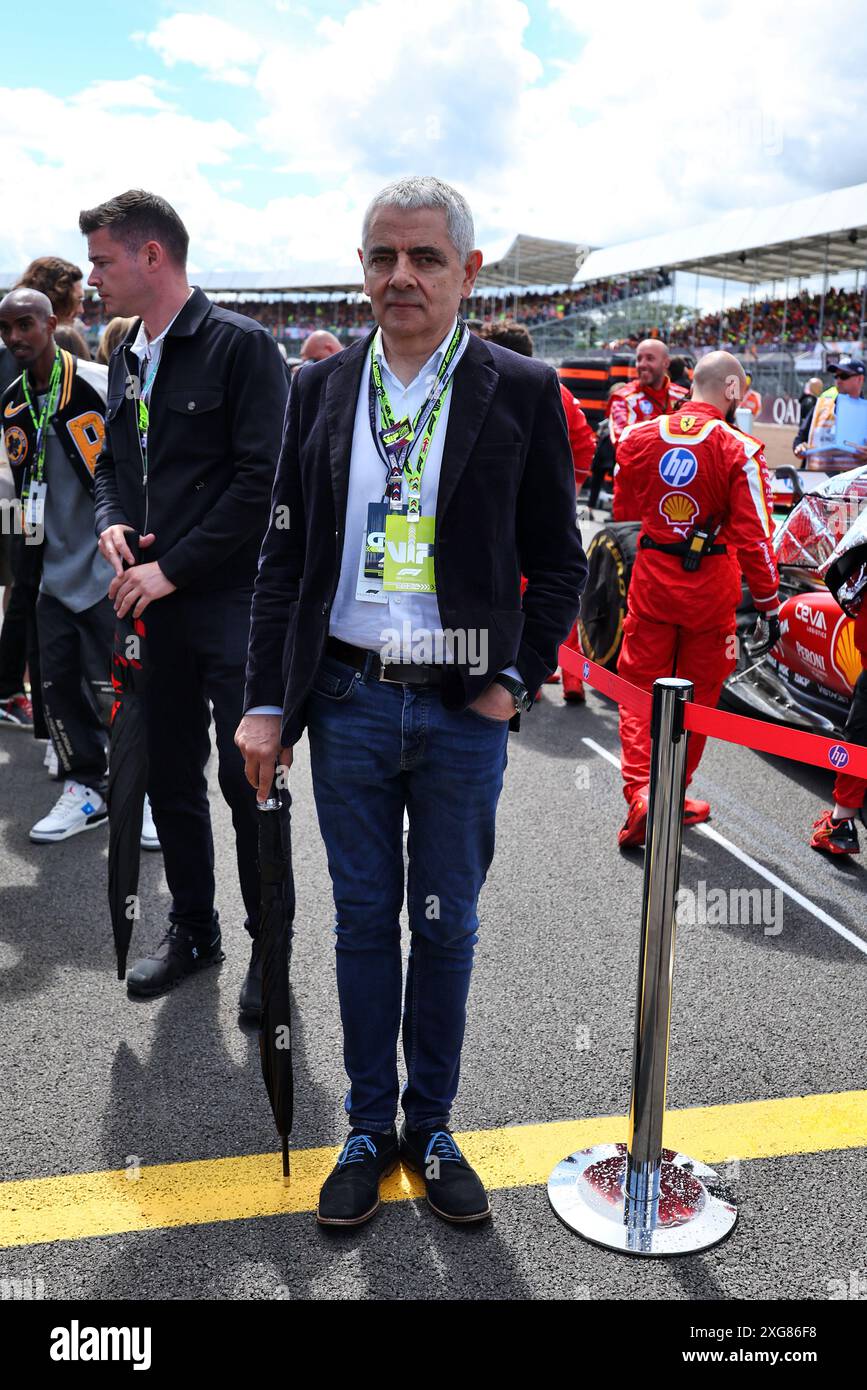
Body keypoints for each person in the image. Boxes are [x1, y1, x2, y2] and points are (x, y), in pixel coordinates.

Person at [236, 175, 587, 1227]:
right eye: (382, 256)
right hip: (342, 698)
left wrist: (511, 682)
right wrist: (265, 702)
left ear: (469, 272)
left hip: (458, 708)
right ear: (361, 268)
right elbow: (284, 561)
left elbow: (560, 564)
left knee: (445, 926)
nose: (400, 276)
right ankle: (364, 1122)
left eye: (425, 258)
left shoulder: (521, 388)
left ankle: (431, 1126)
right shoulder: (321, 388)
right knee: (359, 924)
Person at [81, 189, 288, 1014]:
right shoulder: (128, 350)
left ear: (151, 256)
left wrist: (175, 569)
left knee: (251, 786)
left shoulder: (243, 348)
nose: (94, 278)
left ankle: (269, 951)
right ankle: (195, 932)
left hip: (232, 604)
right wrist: (112, 525)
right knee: (171, 777)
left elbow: (259, 484)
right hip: (150, 604)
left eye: (102, 260)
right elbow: (110, 466)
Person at [613, 350, 780, 848]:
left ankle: (643, 793)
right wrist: (770, 606)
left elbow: (626, 499)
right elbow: (755, 541)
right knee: (698, 695)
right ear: (731, 389)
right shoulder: (740, 448)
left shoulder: (640, 437)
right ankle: (671, 792)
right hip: (709, 590)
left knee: (640, 690)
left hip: (652, 579)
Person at [0, 288, 137, 840]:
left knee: (126, 690)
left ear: (51, 323)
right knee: (57, 689)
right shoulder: (11, 402)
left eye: (26, 325)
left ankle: (139, 788)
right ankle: (85, 786)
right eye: (6, 329)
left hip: (109, 571)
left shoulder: (96, 386)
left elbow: (134, 469)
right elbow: (15, 490)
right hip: (50, 575)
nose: (15, 338)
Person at [480, 320, 593, 701]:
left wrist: (564, 490)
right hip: (547, 507)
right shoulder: (556, 389)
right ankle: (566, 678)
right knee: (557, 589)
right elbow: (586, 440)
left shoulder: (508, 388)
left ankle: (526, 673)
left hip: (509, 509)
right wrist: (567, 491)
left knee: (521, 588)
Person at [607, 338, 690, 447]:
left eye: (650, 358)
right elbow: (623, 443)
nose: (642, 364)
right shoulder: (623, 398)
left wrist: (646, 430)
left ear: (666, 363)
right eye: (639, 359)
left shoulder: (683, 396)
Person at [793, 359, 867, 460]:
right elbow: (800, 439)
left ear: (860, 379)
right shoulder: (820, 406)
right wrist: (799, 448)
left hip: (854, 475)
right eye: (836, 376)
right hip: (817, 475)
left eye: (844, 376)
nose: (839, 381)